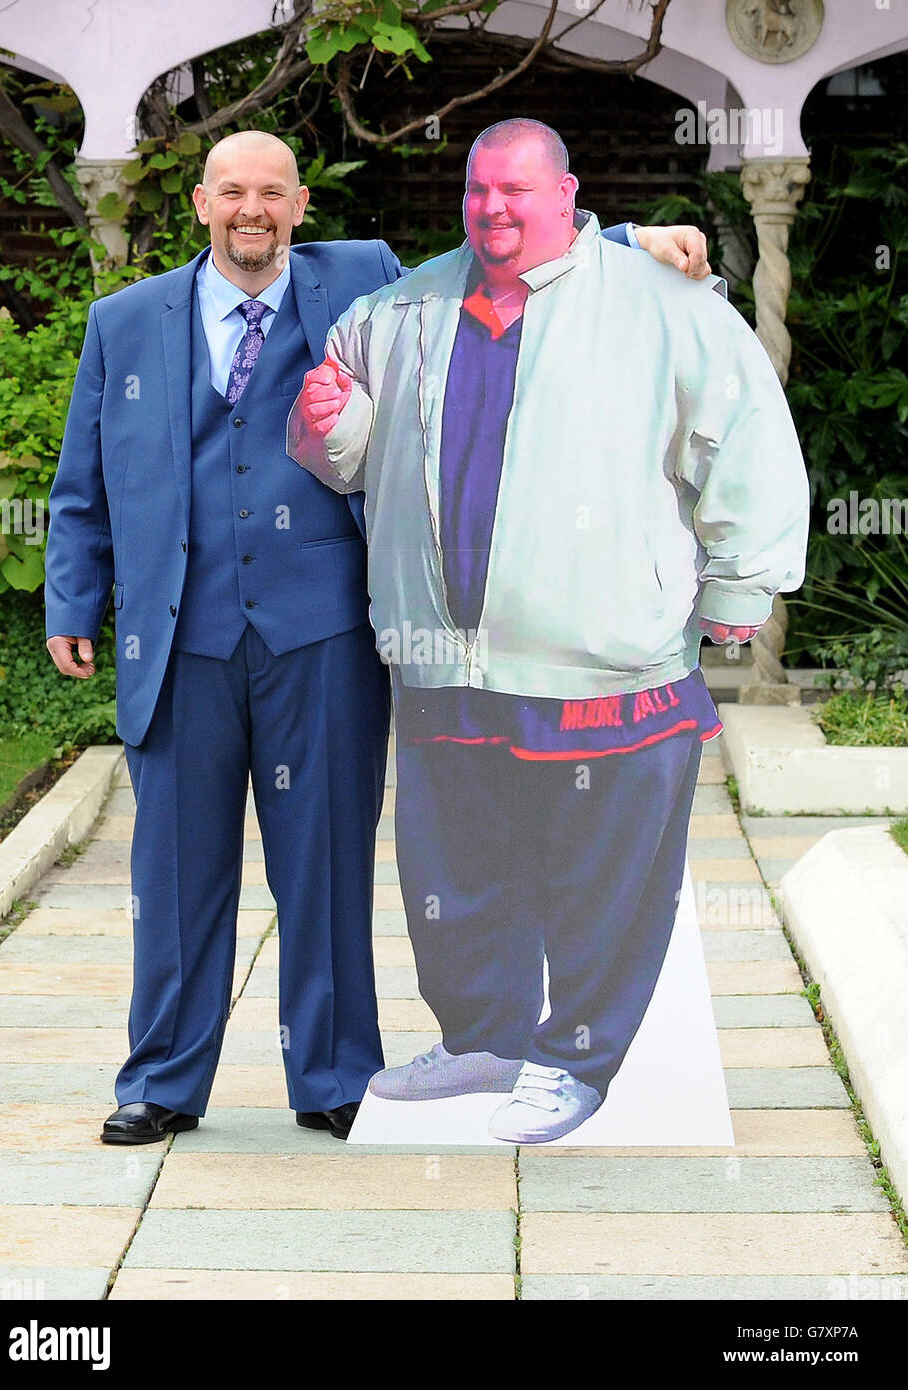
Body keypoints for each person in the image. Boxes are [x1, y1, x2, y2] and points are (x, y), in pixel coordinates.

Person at [44, 127, 715, 1145]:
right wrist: (70, 602)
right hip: (179, 639)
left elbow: (495, 267)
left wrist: (624, 239)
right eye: (232, 192)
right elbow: (82, 484)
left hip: (321, 634)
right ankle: (162, 1082)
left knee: (324, 865)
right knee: (173, 876)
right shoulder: (125, 322)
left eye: (271, 192)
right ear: (199, 204)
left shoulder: (361, 283)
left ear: (300, 205)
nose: (251, 210)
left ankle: (332, 1075)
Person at [288, 118, 810, 1143]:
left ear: (567, 195)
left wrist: (741, 585)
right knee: (454, 866)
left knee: (602, 870)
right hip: (444, 654)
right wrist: (326, 423)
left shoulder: (661, 302)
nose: (493, 211)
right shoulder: (401, 309)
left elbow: (741, 432)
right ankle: (482, 1038)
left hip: (607, 657)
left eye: (517, 193)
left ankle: (577, 1055)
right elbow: (344, 455)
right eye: (479, 192)